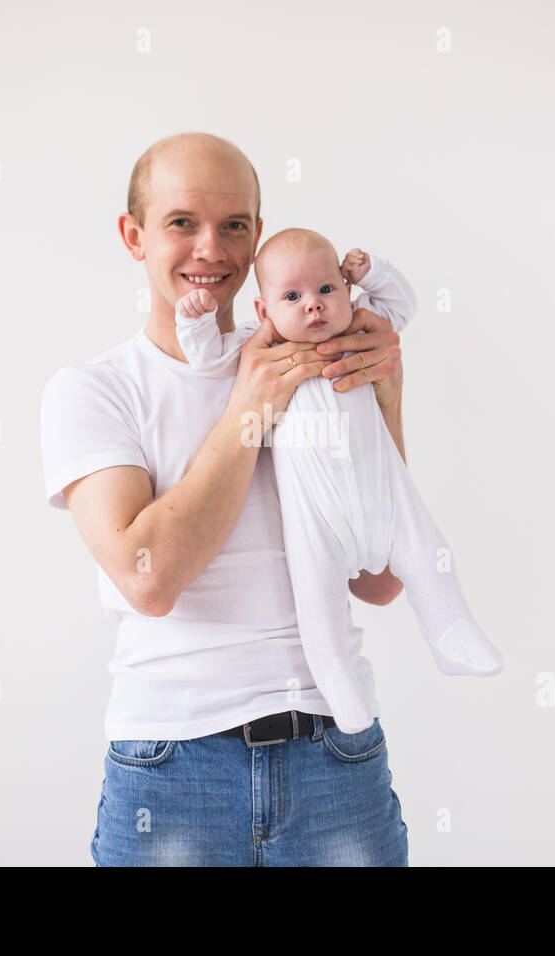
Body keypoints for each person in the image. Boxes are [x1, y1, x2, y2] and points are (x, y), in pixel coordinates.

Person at [40, 132, 410, 866]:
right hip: (173, 772)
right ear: (133, 235)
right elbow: (149, 577)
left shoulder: (308, 359)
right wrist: (249, 409)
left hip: (335, 758)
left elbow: (379, 577)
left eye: (234, 225)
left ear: (257, 239)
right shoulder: (94, 391)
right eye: (182, 223)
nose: (211, 248)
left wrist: (384, 395)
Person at [173, 228, 503, 736]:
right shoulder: (257, 354)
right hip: (317, 516)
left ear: (346, 292)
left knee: (429, 552)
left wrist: (373, 272)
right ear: (263, 313)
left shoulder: (363, 337)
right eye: (292, 297)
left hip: (384, 495)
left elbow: (402, 306)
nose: (313, 306)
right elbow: (206, 357)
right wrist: (193, 318)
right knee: (317, 598)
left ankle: (451, 632)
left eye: (327, 289)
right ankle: (338, 683)